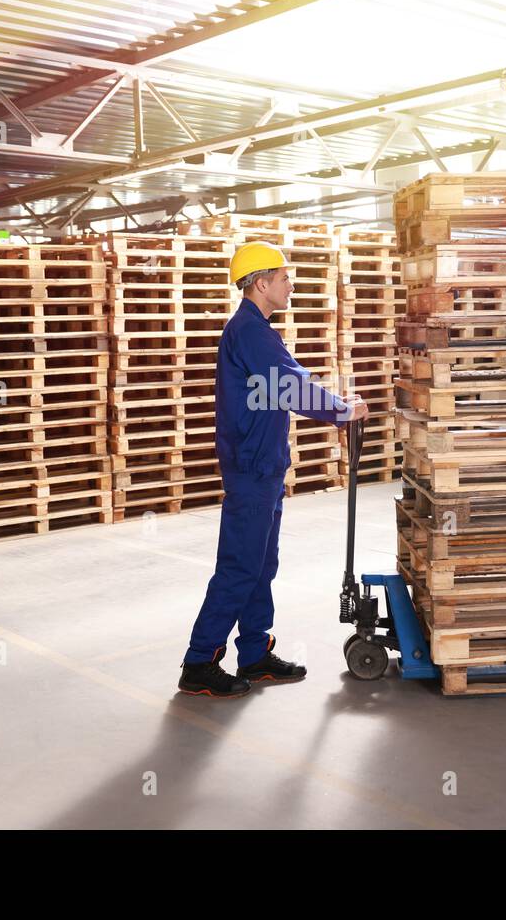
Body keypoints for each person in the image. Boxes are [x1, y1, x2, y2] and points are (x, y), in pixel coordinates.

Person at [179, 240, 369, 697]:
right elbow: (290, 387)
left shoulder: (259, 330)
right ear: (261, 283)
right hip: (250, 466)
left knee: (262, 564)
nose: (291, 284)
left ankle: (255, 652)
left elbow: (292, 380)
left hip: (263, 465)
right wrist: (343, 411)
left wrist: (338, 407)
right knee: (240, 566)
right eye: (284, 278)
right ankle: (199, 661)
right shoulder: (249, 331)